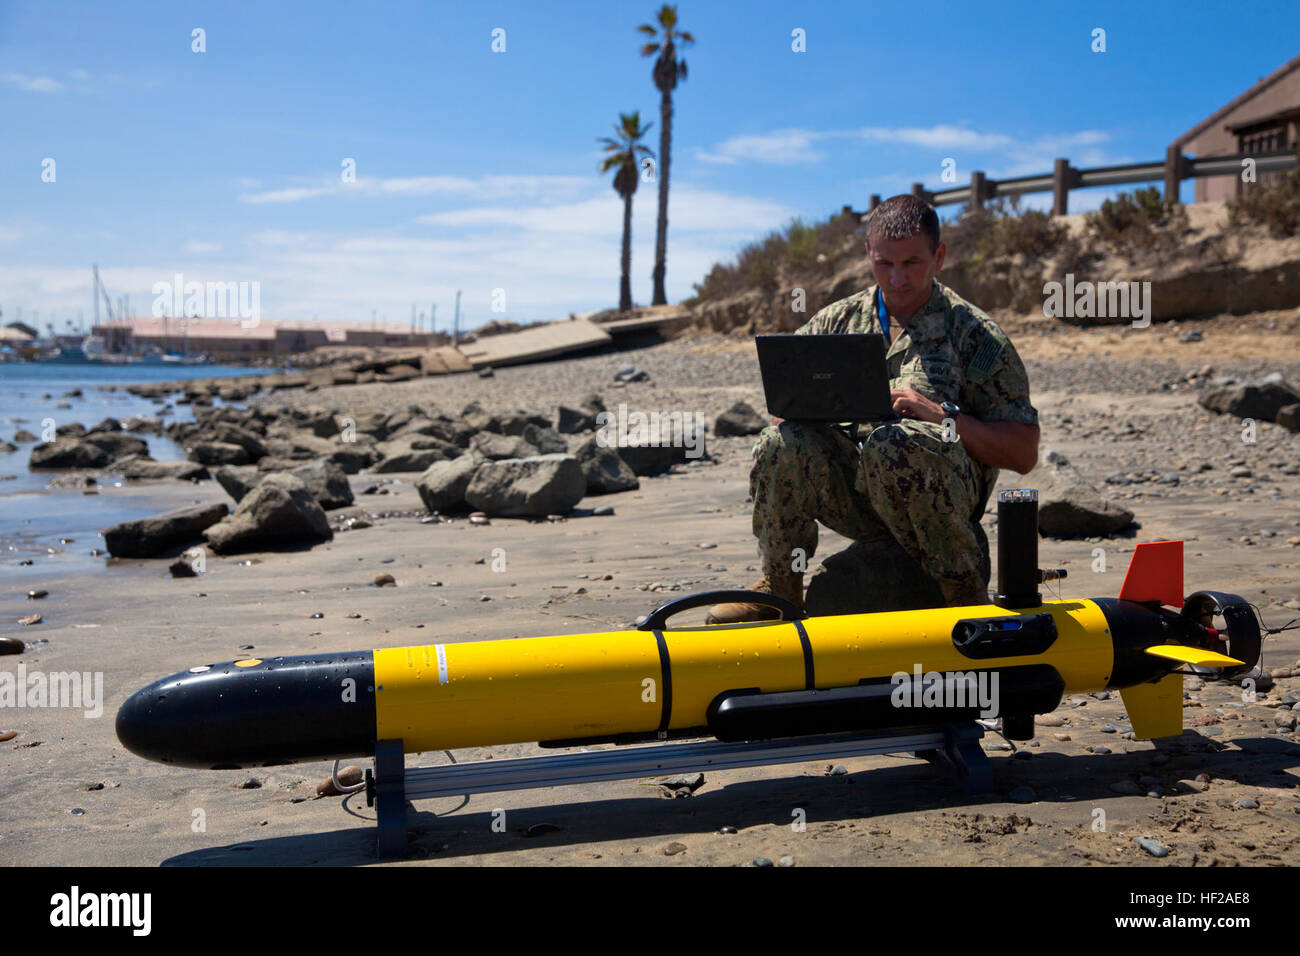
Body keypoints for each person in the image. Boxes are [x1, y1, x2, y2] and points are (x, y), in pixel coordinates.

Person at [708, 195, 1040, 624]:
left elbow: (1023, 454)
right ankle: (781, 588)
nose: (898, 278)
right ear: (868, 254)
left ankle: (962, 594)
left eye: (912, 263)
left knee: (894, 441)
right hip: (856, 496)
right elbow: (784, 415)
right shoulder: (836, 322)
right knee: (779, 443)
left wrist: (943, 417)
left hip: (939, 501)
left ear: (939, 257)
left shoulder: (975, 335)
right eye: (885, 264)